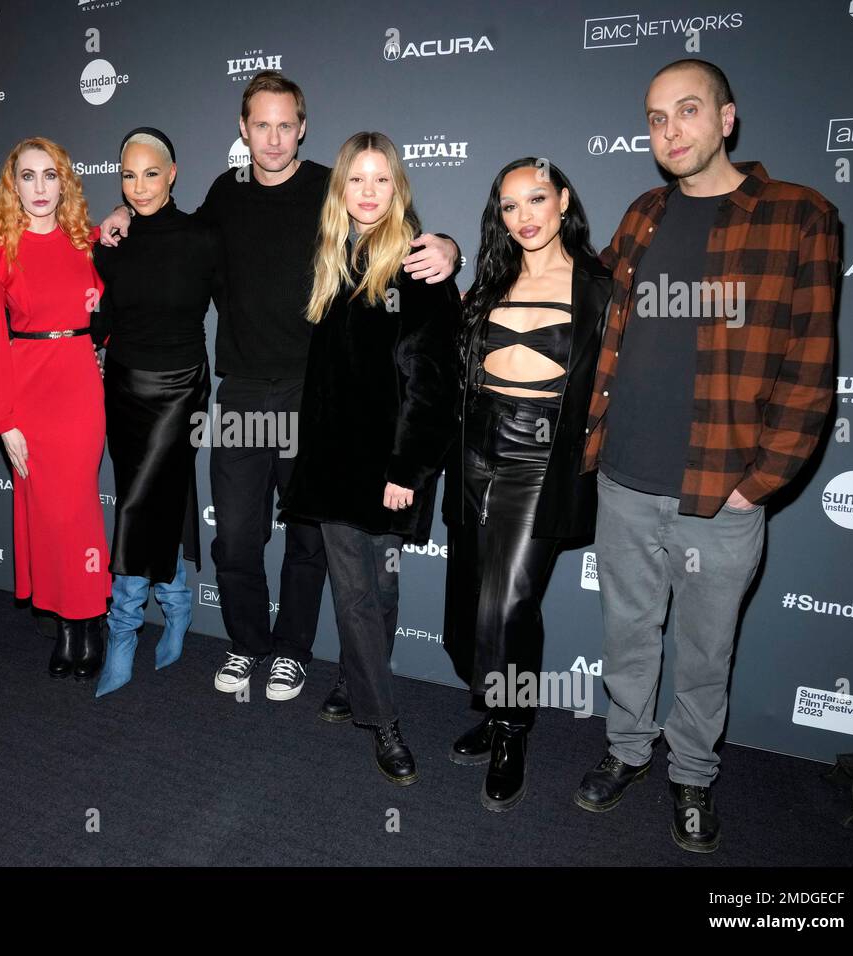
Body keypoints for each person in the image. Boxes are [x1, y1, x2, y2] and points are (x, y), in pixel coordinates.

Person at [100, 72, 459, 705]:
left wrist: (450, 249)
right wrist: (126, 214)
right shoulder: (226, 190)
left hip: (310, 394)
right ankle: (246, 642)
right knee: (236, 535)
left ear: (302, 127)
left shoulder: (334, 187)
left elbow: (401, 241)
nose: (272, 138)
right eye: (260, 125)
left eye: (284, 124)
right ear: (243, 130)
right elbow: (175, 234)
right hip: (240, 391)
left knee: (309, 537)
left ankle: (292, 650)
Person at [575, 59, 839, 853]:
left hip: (721, 493)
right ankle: (627, 752)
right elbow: (583, 295)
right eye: (656, 118)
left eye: (687, 112)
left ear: (727, 118)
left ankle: (692, 774)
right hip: (624, 480)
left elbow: (811, 365)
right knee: (627, 634)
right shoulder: (645, 213)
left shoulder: (799, 215)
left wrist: (756, 485)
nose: (670, 131)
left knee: (703, 652)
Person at [281, 132, 459, 786]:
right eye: (356, 179)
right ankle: (382, 720)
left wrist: (406, 471)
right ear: (341, 189)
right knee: (355, 594)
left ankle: (352, 680)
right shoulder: (332, 257)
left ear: (397, 188)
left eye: (381, 180)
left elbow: (434, 383)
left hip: (388, 468)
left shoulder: (416, 265)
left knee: (380, 591)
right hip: (330, 463)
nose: (367, 191)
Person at [440, 158, 611, 811]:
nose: (524, 217)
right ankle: (495, 705)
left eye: (536, 199)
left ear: (562, 198)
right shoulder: (492, 277)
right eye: (509, 206)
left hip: (541, 459)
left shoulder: (598, 284)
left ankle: (512, 731)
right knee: (473, 603)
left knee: (507, 601)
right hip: (476, 450)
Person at [0, 137, 111, 681]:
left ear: (65, 181)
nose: (40, 188)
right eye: (28, 177)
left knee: (76, 509)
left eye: (50, 175)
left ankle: (87, 617)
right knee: (46, 513)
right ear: (12, 185)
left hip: (77, 386)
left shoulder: (91, 242)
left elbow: (116, 311)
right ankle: (71, 622)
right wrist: (4, 422)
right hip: (27, 392)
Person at [90, 128, 222, 697]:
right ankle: (175, 601)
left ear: (172, 173)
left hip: (180, 387)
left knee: (142, 498)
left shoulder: (203, 237)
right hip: (122, 383)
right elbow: (105, 315)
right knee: (149, 493)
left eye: (150, 173)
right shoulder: (110, 242)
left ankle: (122, 626)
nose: (138, 186)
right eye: (127, 175)